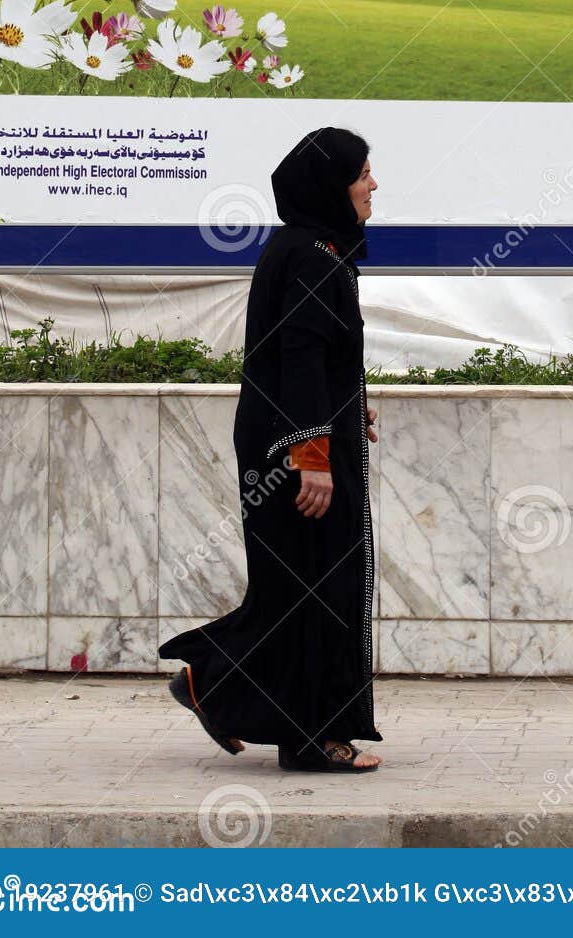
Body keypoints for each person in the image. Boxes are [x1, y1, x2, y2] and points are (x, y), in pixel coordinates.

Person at [159, 127, 383, 773]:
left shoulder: (304, 247)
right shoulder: (313, 255)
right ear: (330, 185)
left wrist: (345, 409)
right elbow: (299, 355)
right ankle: (308, 738)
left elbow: (307, 356)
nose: (372, 185)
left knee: (298, 591)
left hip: (289, 439)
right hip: (293, 453)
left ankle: (212, 681)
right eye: (362, 174)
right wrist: (312, 453)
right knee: (315, 589)